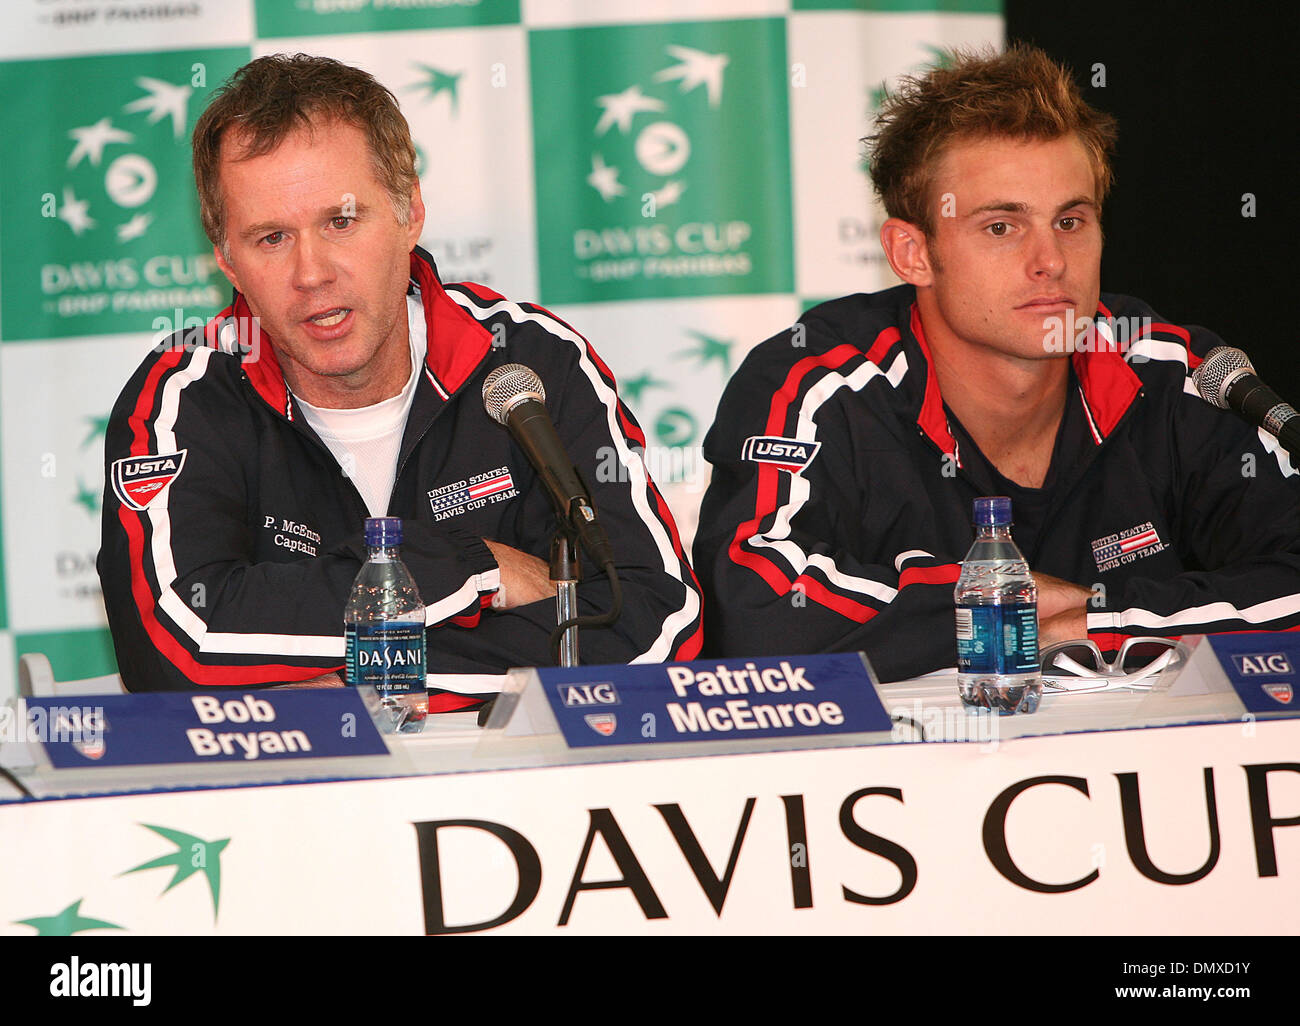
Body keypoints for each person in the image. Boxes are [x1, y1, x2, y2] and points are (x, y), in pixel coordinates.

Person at [692, 45, 1299, 683]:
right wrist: (999, 603)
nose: (1051, 261)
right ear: (912, 253)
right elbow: (751, 610)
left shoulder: (1177, 372)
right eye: (1002, 228)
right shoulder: (818, 382)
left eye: (1071, 220)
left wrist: (1101, 622)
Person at [98, 54, 702, 694]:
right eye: (271, 237)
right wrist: (475, 571)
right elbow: (174, 648)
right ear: (225, 257)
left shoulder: (528, 360)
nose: (312, 273)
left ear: (409, 213)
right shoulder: (184, 395)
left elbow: (657, 626)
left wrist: (372, 682)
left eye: (341, 221)